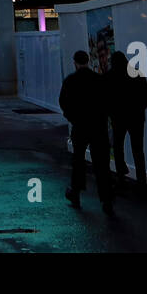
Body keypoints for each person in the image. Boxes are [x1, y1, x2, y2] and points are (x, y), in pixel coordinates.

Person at [58, 49, 115, 215]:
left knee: (78, 160)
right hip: (98, 126)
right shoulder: (99, 80)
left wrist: (73, 118)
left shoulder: (71, 81)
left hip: (80, 126)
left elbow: (64, 103)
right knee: (101, 164)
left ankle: (75, 192)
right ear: (88, 61)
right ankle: (106, 199)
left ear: (75, 62)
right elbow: (107, 102)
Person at [107, 50, 147, 189]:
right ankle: (142, 184)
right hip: (137, 119)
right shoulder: (137, 73)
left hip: (118, 119)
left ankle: (121, 179)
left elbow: (105, 100)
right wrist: (138, 109)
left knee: (118, 148)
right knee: (138, 151)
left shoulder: (110, 77)